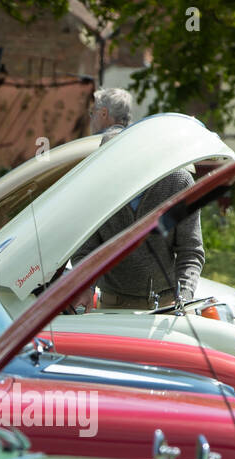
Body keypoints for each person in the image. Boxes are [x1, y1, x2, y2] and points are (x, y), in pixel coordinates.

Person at [74, 88, 205, 310]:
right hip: (111, 301)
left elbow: (190, 250)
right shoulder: (97, 188)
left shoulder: (177, 183)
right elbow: (85, 250)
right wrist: (85, 288)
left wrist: (183, 297)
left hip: (166, 302)